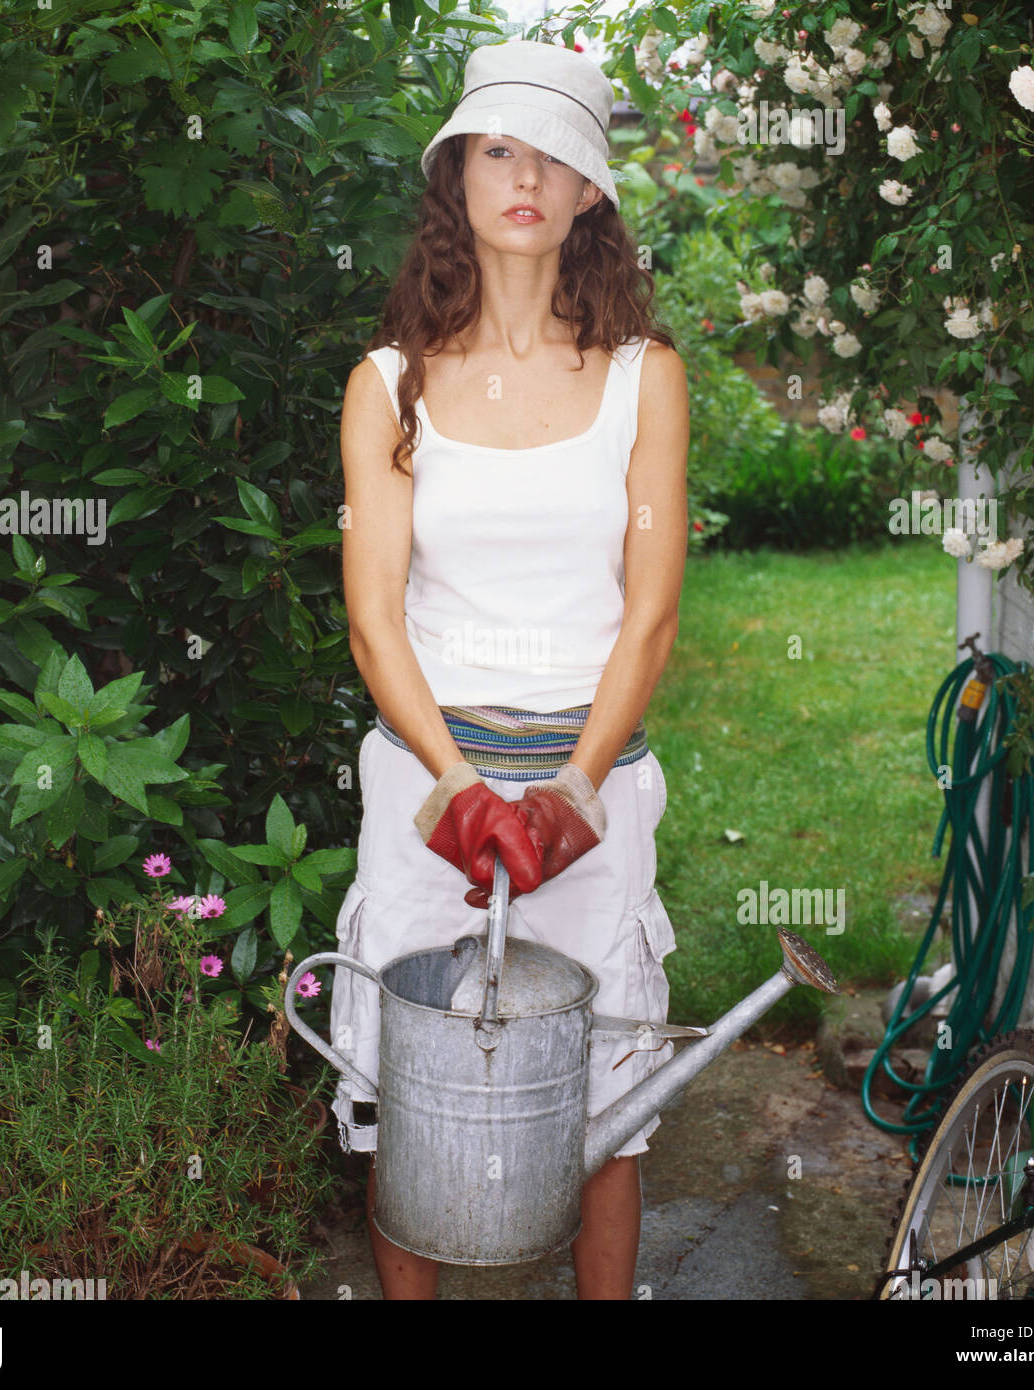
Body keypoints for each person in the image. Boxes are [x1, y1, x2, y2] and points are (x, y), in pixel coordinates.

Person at [333, 36, 689, 1300]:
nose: (525, 175)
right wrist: (451, 788)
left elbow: (647, 619)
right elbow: (376, 619)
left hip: (590, 791)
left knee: (606, 1105)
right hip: (429, 789)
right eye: (498, 149)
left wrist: (578, 794)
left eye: (556, 155)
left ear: (591, 191)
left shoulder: (649, 382)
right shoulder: (390, 387)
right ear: (459, 178)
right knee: (408, 1093)